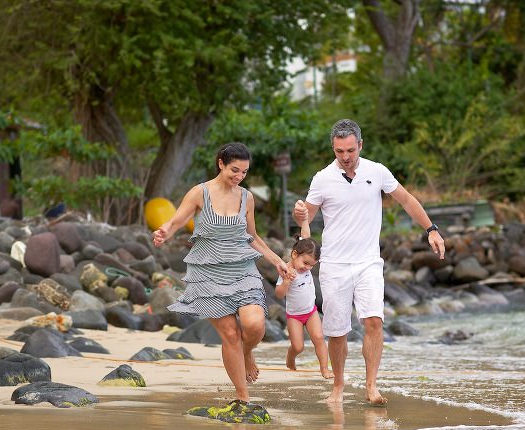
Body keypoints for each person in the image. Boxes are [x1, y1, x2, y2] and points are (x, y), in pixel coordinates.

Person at [293, 119, 445, 404]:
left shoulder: (377, 171)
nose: (346, 156)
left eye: (350, 150)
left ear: (360, 145)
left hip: (368, 262)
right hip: (335, 265)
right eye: (339, 151)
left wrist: (431, 229)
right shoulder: (322, 178)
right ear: (333, 148)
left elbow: (407, 200)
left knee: (374, 321)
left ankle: (371, 387)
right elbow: (307, 218)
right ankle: (338, 386)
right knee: (337, 332)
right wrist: (300, 216)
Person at [153, 142, 289, 403]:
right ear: (221, 164)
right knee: (229, 335)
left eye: (244, 172)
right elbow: (177, 221)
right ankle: (242, 397)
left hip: (242, 269)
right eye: (234, 170)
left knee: (255, 326)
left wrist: (276, 261)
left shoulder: (246, 197)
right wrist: (164, 233)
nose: (239, 177)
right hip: (208, 272)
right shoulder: (199, 193)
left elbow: (251, 235)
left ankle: (245, 352)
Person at [274, 212, 333, 379]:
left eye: (312, 266)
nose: (307, 268)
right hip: (294, 316)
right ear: (294, 254)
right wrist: (286, 282)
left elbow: (305, 234)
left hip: (311, 311)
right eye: (305, 263)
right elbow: (278, 294)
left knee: (319, 338)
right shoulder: (286, 270)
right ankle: (290, 357)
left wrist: (305, 219)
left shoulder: (305, 250)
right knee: (298, 346)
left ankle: (324, 369)